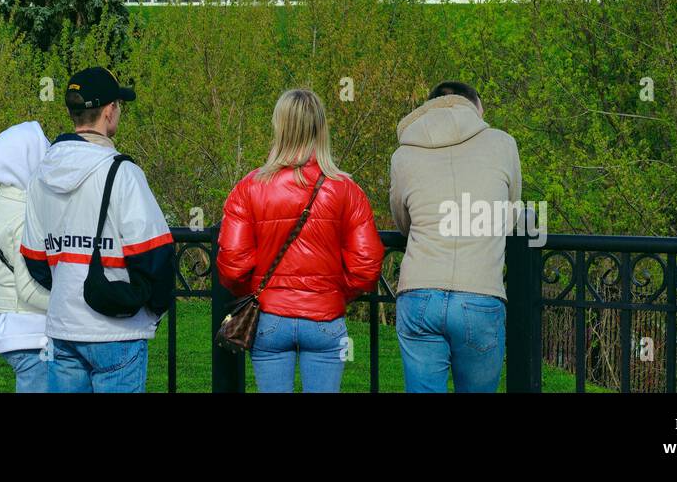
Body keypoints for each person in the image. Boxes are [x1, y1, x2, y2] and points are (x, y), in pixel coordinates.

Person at [217, 88, 383, 393]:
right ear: (321, 129)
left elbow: (232, 266)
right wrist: (332, 292)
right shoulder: (346, 190)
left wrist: (259, 291)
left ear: (279, 127)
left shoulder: (249, 188)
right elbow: (367, 266)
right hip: (325, 318)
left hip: (269, 318)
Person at [21, 67, 175, 393]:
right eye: (119, 105)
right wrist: (152, 308)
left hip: (64, 326)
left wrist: (67, 281)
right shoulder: (123, 172)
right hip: (116, 330)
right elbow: (156, 255)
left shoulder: (41, 174)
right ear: (109, 111)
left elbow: (35, 259)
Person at [389, 80, 521, 393]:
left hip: (420, 290)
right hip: (479, 291)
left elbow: (402, 221)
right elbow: (510, 216)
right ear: (477, 108)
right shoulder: (503, 143)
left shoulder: (404, 153)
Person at [0, 121, 51, 392]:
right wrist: (72, 306)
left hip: (4, 324)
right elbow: (28, 287)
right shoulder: (28, 211)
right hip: (33, 332)